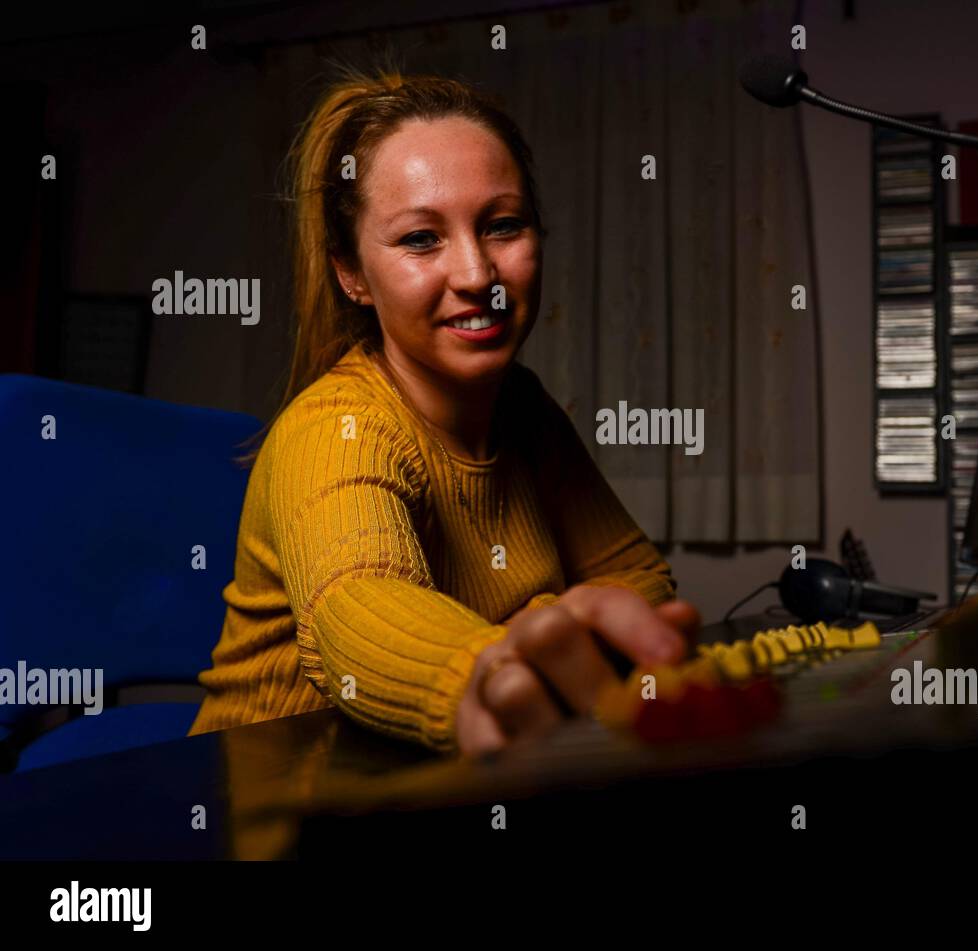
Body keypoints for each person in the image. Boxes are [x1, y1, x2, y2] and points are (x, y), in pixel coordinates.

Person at [189, 69, 700, 757]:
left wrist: (545, 632)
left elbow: (636, 578)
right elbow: (357, 606)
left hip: (432, 781)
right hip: (270, 810)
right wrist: (489, 669)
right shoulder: (334, 427)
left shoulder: (526, 409)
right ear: (352, 275)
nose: (477, 276)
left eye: (502, 225)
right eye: (421, 239)